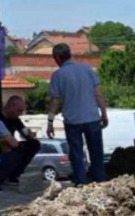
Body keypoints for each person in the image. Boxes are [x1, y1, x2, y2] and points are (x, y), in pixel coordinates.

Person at [46, 43, 108, 184]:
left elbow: (55, 101)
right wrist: (103, 114)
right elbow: (98, 94)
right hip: (92, 118)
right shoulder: (87, 69)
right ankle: (99, 181)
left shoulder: (58, 75)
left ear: (57, 58)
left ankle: (81, 181)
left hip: (72, 121)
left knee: (76, 153)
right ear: (70, 54)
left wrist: (50, 123)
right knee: (96, 152)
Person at [0, 95, 40, 183]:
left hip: (10, 144)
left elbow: (25, 133)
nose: (20, 113)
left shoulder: (15, 119)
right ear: (11, 106)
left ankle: (15, 174)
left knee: (34, 144)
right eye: (19, 110)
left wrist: (30, 134)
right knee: (7, 147)